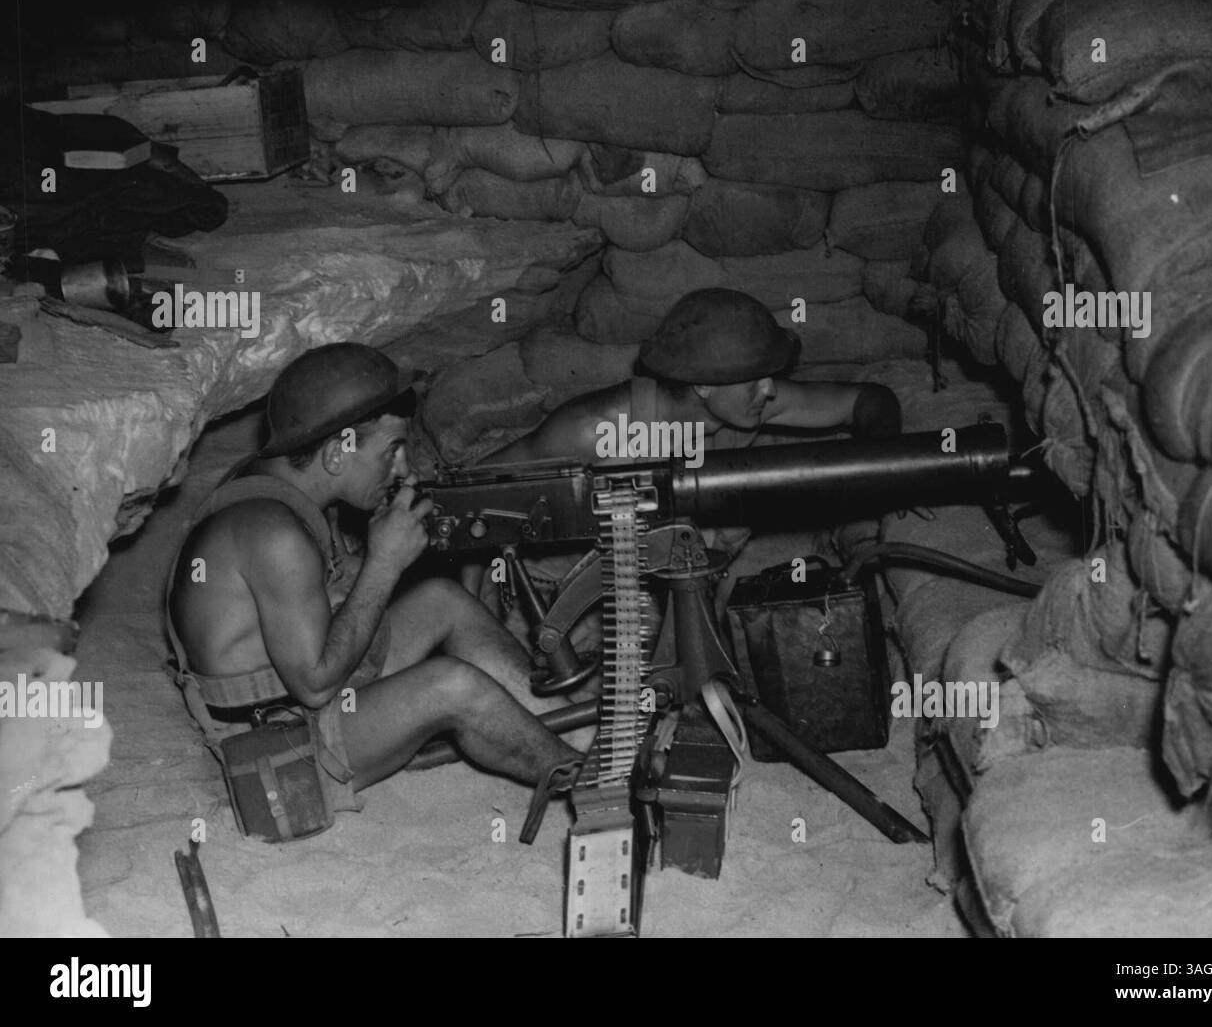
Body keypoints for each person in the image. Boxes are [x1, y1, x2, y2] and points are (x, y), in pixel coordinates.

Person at [166, 342, 582, 843]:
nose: (403, 469)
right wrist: (385, 563)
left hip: (299, 694)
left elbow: (331, 595)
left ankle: (578, 728)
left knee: (438, 599)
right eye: (391, 451)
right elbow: (316, 685)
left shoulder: (274, 488)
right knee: (450, 684)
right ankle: (585, 776)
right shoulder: (273, 534)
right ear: (337, 451)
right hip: (278, 744)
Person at [467, 287, 903, 641]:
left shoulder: (747, 405)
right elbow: (468, 499)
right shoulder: (593, 430)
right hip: (558, 608)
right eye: (756, 379)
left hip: (678, 598)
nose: (770, 390)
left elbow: (869, 400)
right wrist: (476, 625)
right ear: (702, 385)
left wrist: (889, 470)